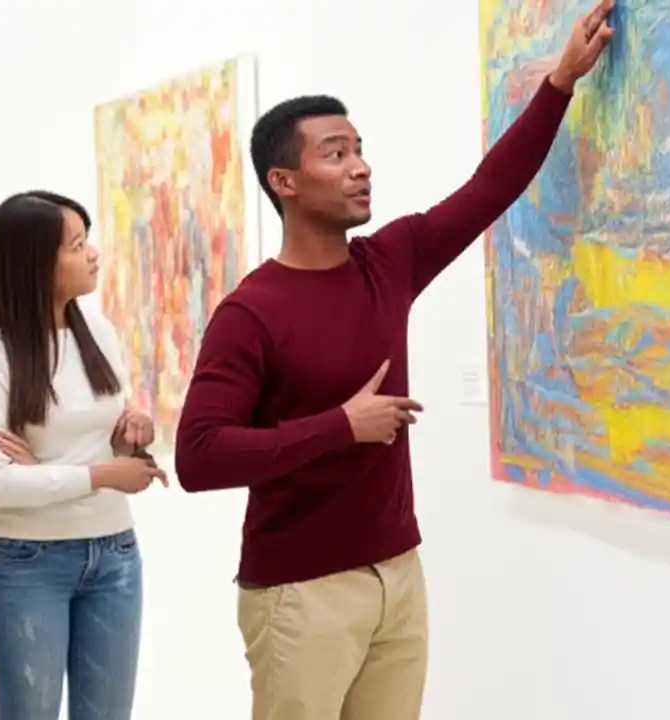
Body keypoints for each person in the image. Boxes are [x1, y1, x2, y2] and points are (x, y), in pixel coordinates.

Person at [172, 4, 615, 719]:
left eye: (359, 149)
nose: (360, 166)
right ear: (285, 181)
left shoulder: (391, 261)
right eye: (336, 154)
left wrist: (561, 81)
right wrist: (339, 427)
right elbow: (198, 457)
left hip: (398, 575)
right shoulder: (251, 312)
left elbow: (487, 190)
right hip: (300, 595)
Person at [0, 190, 167, 720]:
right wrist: (100, 472)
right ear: (35, 262)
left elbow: (105, 440)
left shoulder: (96, 328)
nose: (93, 253)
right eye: (77, 245)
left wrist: (130, 435)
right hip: (27, 563)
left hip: (114, 555)